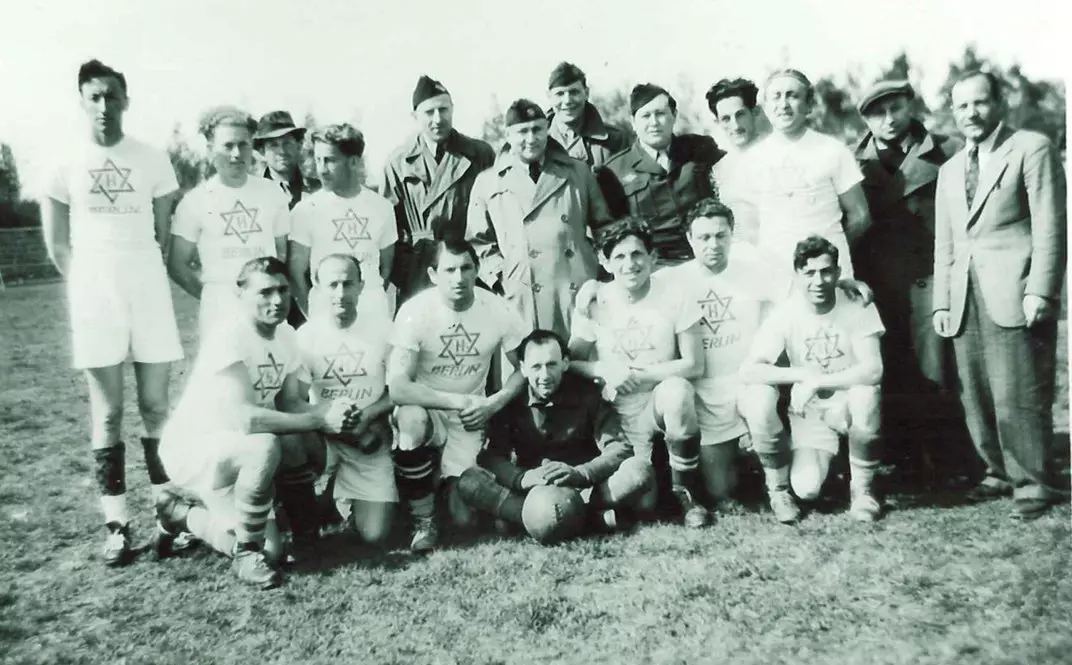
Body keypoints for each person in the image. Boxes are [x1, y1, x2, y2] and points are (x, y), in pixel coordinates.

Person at [42, 59, 186, 566]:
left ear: (126, 99)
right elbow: (59, 245)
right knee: (107, 411)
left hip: (145, 282)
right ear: (82, 101)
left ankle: (169, 514)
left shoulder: (152, 159)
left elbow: (163, 231)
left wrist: (140, 268)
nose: (104, 106)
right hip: (95, 291)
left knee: (154, 406)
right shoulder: (63, 161)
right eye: (94, 97)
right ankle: (117, 526)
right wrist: (89, 287)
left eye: (112, 96)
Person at [154, 257, 357, 588]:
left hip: (240, 449)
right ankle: (191, 520)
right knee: (266, 445)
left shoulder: (286, 336)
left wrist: (330, 410)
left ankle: (304, 532)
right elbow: (246, 419)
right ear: (240, 295)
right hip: (197, 449)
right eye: (265, 292)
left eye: (283, 290)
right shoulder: (228, 335)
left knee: (296, 439)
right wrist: (317, 417)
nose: (277, 301)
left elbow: (290, 402)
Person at [933, 70, 1067, 520]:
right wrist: (941, 300)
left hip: (1015, 287)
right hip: (964, 291)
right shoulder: (951, 168)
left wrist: (1041, 291)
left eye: (980, 103)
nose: (971, 113)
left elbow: (1050, 226)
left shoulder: (1031, 148)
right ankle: (997, 470)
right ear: (953, 112)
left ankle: (1033, 482)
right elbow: (946, 242)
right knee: (977, 390)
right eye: (962, 105)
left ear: (999, 103)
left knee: (1019, 390)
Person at [853, 79, 968, 485]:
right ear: (865, 119)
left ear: (910, 107)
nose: (888, 119)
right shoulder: (854, 162)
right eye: (877, 112)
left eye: (895, 108)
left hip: (930, 274)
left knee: (936, 368)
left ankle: (949, 459)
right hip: (880, 282)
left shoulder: (950, 151)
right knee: (892, 367)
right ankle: (904, 458)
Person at [386, 239, 529, 552]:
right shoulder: (415, 311)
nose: (459, 277)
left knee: (463, 519)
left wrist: (494, 403)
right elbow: (398, 388)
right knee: (411, 419)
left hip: (473, 415)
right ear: (433, 274)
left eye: (466, 268)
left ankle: (433, 480)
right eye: (449, 269)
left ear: (476, 269)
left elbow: (525, 368)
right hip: (430, 408)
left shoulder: (497, 308)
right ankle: (423, 520)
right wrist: (454, 401)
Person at [568, 218, 710, 527]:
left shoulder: (674, 294)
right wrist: (604, 368)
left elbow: (694, 364)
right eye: (619, 256)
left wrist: (638, 374)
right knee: (644, 503)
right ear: (605, 262)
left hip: (657, 402)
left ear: (653, 258)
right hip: (617, 414)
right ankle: (634, 492)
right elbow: (572, 364)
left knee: (677, 392)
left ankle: (686, 492)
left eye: (637, 255)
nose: (629, 264)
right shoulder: (595, 299)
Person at [457, 330, 656, 543]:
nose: (544, 376)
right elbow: (492, 457)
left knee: (639, 470)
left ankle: (528, 522)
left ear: (566, 362)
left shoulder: (588, 393)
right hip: (532, 492)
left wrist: (581, 473)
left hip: (585, 490)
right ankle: (593, 520)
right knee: (470, 482)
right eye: (536, 367)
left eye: (551, 364)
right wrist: (522, 478)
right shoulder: (512, 401)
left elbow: (619, 448)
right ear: (522, 368)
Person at [740, 236, 885, 524]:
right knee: (806, 490)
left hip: (847, 403)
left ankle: (863, 491)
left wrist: (818, 382)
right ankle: (838, 464)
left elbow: (873, 370)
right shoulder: (786, 313)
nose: (818, 281)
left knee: (866, 395)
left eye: (826, 271)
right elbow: (750, 370)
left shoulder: (856, 304)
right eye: (809, 273)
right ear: (796, 275)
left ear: (838, 272)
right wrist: (801, 375)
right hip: (811, 413)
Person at [654, 199, 780, 509]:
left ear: (732, 234)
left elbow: (800, 294)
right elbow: (625, 287)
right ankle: (740, 460)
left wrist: (845, 283)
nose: (713, 245)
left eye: (721, 235)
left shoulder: (756, 272)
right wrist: (592, 287)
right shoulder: (672, 279)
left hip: (745, 383)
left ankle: (779, 486)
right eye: (704, 237)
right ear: (690, 240)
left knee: (764, 407)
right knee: (722, 491)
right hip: (705, 395)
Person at [467, 98, 611, 340]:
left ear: (547, 129)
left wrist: (594, 276)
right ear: (508, 135)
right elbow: (478, 242)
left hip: (575, 289)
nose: (531, 138)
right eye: (522, 131)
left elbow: (604, 228)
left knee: (579, 365)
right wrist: (502, 278)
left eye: (537, 129)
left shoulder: (578, 171)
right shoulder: (488, 181)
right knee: (535, 368)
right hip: (522, 293)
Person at [294, 254, 397, 545]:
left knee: (375, 535)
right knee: (292, 440)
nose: (341, 293)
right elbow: (295, 402)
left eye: (348, 284)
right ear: (317, 288)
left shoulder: (383, 329)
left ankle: (342, 502)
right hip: (324, 440)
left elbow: (400, 387)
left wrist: (368, 415)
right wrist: (326, 417)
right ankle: (315, 493)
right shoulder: (306, 337)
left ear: (361, 286)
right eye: (332, 285)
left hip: (369, 438)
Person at [740, 69, 871, 289]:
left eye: (792, 95)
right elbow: (749, 226)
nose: (784, 104)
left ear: (809, 105)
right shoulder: (752, 159)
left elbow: (859, 215)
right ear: (765, 106)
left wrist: (829, 253)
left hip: (828, 275)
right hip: (775, 275)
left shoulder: (833, 151)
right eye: (776, 96)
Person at [168, 106, 292, 338]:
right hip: (220, 307)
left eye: (243, 144)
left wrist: (265, 292)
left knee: (268, 370)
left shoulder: (273, 193)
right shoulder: (195, 201)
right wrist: (211, 293)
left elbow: (282, 254)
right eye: (228, 146)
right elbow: (177, 265)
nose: (236, 154)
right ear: (210, 149)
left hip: (266, 304)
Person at [379, 76, 495, 304]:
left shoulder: (479, 154)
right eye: (429, 112)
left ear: (452, 109)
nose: (438, 119)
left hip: (467, 266)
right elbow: (387, 228)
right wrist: (406, 271)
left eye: (443, 109)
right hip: (420, 269)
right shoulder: (399, 162)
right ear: (415, 117)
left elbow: (496, 216)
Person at [598, 83, 725, 267]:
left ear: (673, 116)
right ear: (633, 123)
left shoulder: (700, 149)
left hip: (707, 256)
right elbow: (611, 232)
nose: (654, 122)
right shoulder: (614, 171)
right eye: (646, 116)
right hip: (654, 266)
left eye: (660, 114)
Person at [288, 124, 396, 324]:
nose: (321, 169)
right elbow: (296, 274)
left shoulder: (382, 207)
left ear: (353, 162)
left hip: (371, 308)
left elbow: (386, 267)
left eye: (330, 160)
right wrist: (314, 318)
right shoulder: (305, 210)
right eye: (318, 160)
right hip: (324, 310)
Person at [704, 78, 763, 244]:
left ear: (755, 111)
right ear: (717, 122)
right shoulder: (718, 170)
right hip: (740, 259)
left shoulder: (780, 156)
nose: (735, 125)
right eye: (726, 119)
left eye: (740, 114)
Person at [545, 62, 628, 168]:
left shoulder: (615, 140)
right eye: (560, 94)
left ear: (586, 93)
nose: (567, 101)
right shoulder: (537, 140)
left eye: (574, 92)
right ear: (549, 97)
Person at [253, 110, 321, 210]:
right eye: (274, 145)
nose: (282, 151)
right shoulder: (254, 194)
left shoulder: (318, 190)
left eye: (287, 143)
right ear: (262, 152)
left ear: (299, 145)